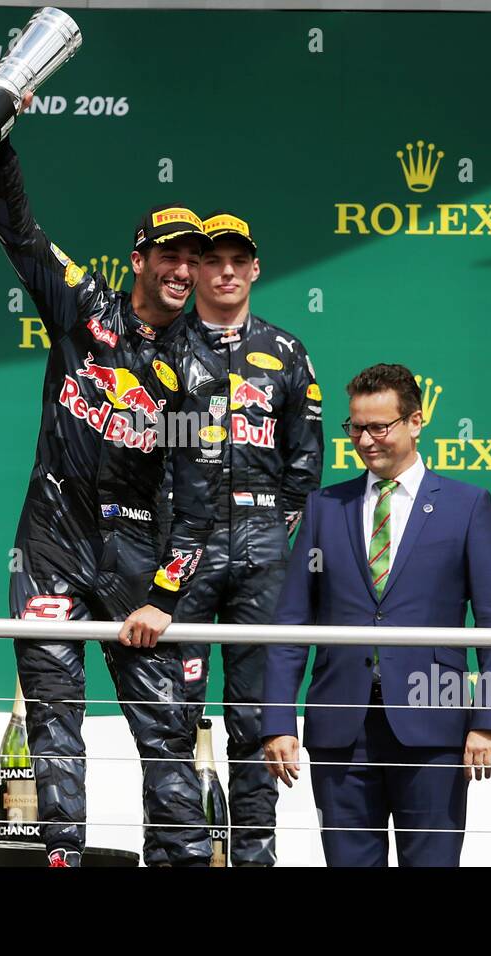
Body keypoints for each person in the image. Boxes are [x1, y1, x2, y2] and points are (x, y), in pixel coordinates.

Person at [0, 127, 227, 866]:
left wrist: (165, 597)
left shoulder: (200, 370)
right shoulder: (84, 309)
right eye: (172, 254)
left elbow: (200, 497)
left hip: (138, 564)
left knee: (167, 735)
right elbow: (18, 230)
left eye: (196, 258)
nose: (185, 270)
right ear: (139, 259)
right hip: (50, 549)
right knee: (53, 726)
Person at [261, 363, 491, 867]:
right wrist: (277, 720)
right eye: (355, 427)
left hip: (434, 728)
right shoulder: (323, 507)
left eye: (379, 426)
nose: (365, 439)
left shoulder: (468, 506)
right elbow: (290, 624)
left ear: (415, 422)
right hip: (340, 731)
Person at [167, 211, 323, 867]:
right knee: (171, 712)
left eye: (238, 260)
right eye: (213, 260)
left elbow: (305, 461)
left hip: (262, 551)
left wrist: (269, 520)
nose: (226, 271)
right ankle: (174, 849)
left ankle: (254, 852)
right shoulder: (163, 347)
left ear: (254, 268)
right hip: (181, 551)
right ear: (196, 270)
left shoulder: (286, 351)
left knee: (258, 716)